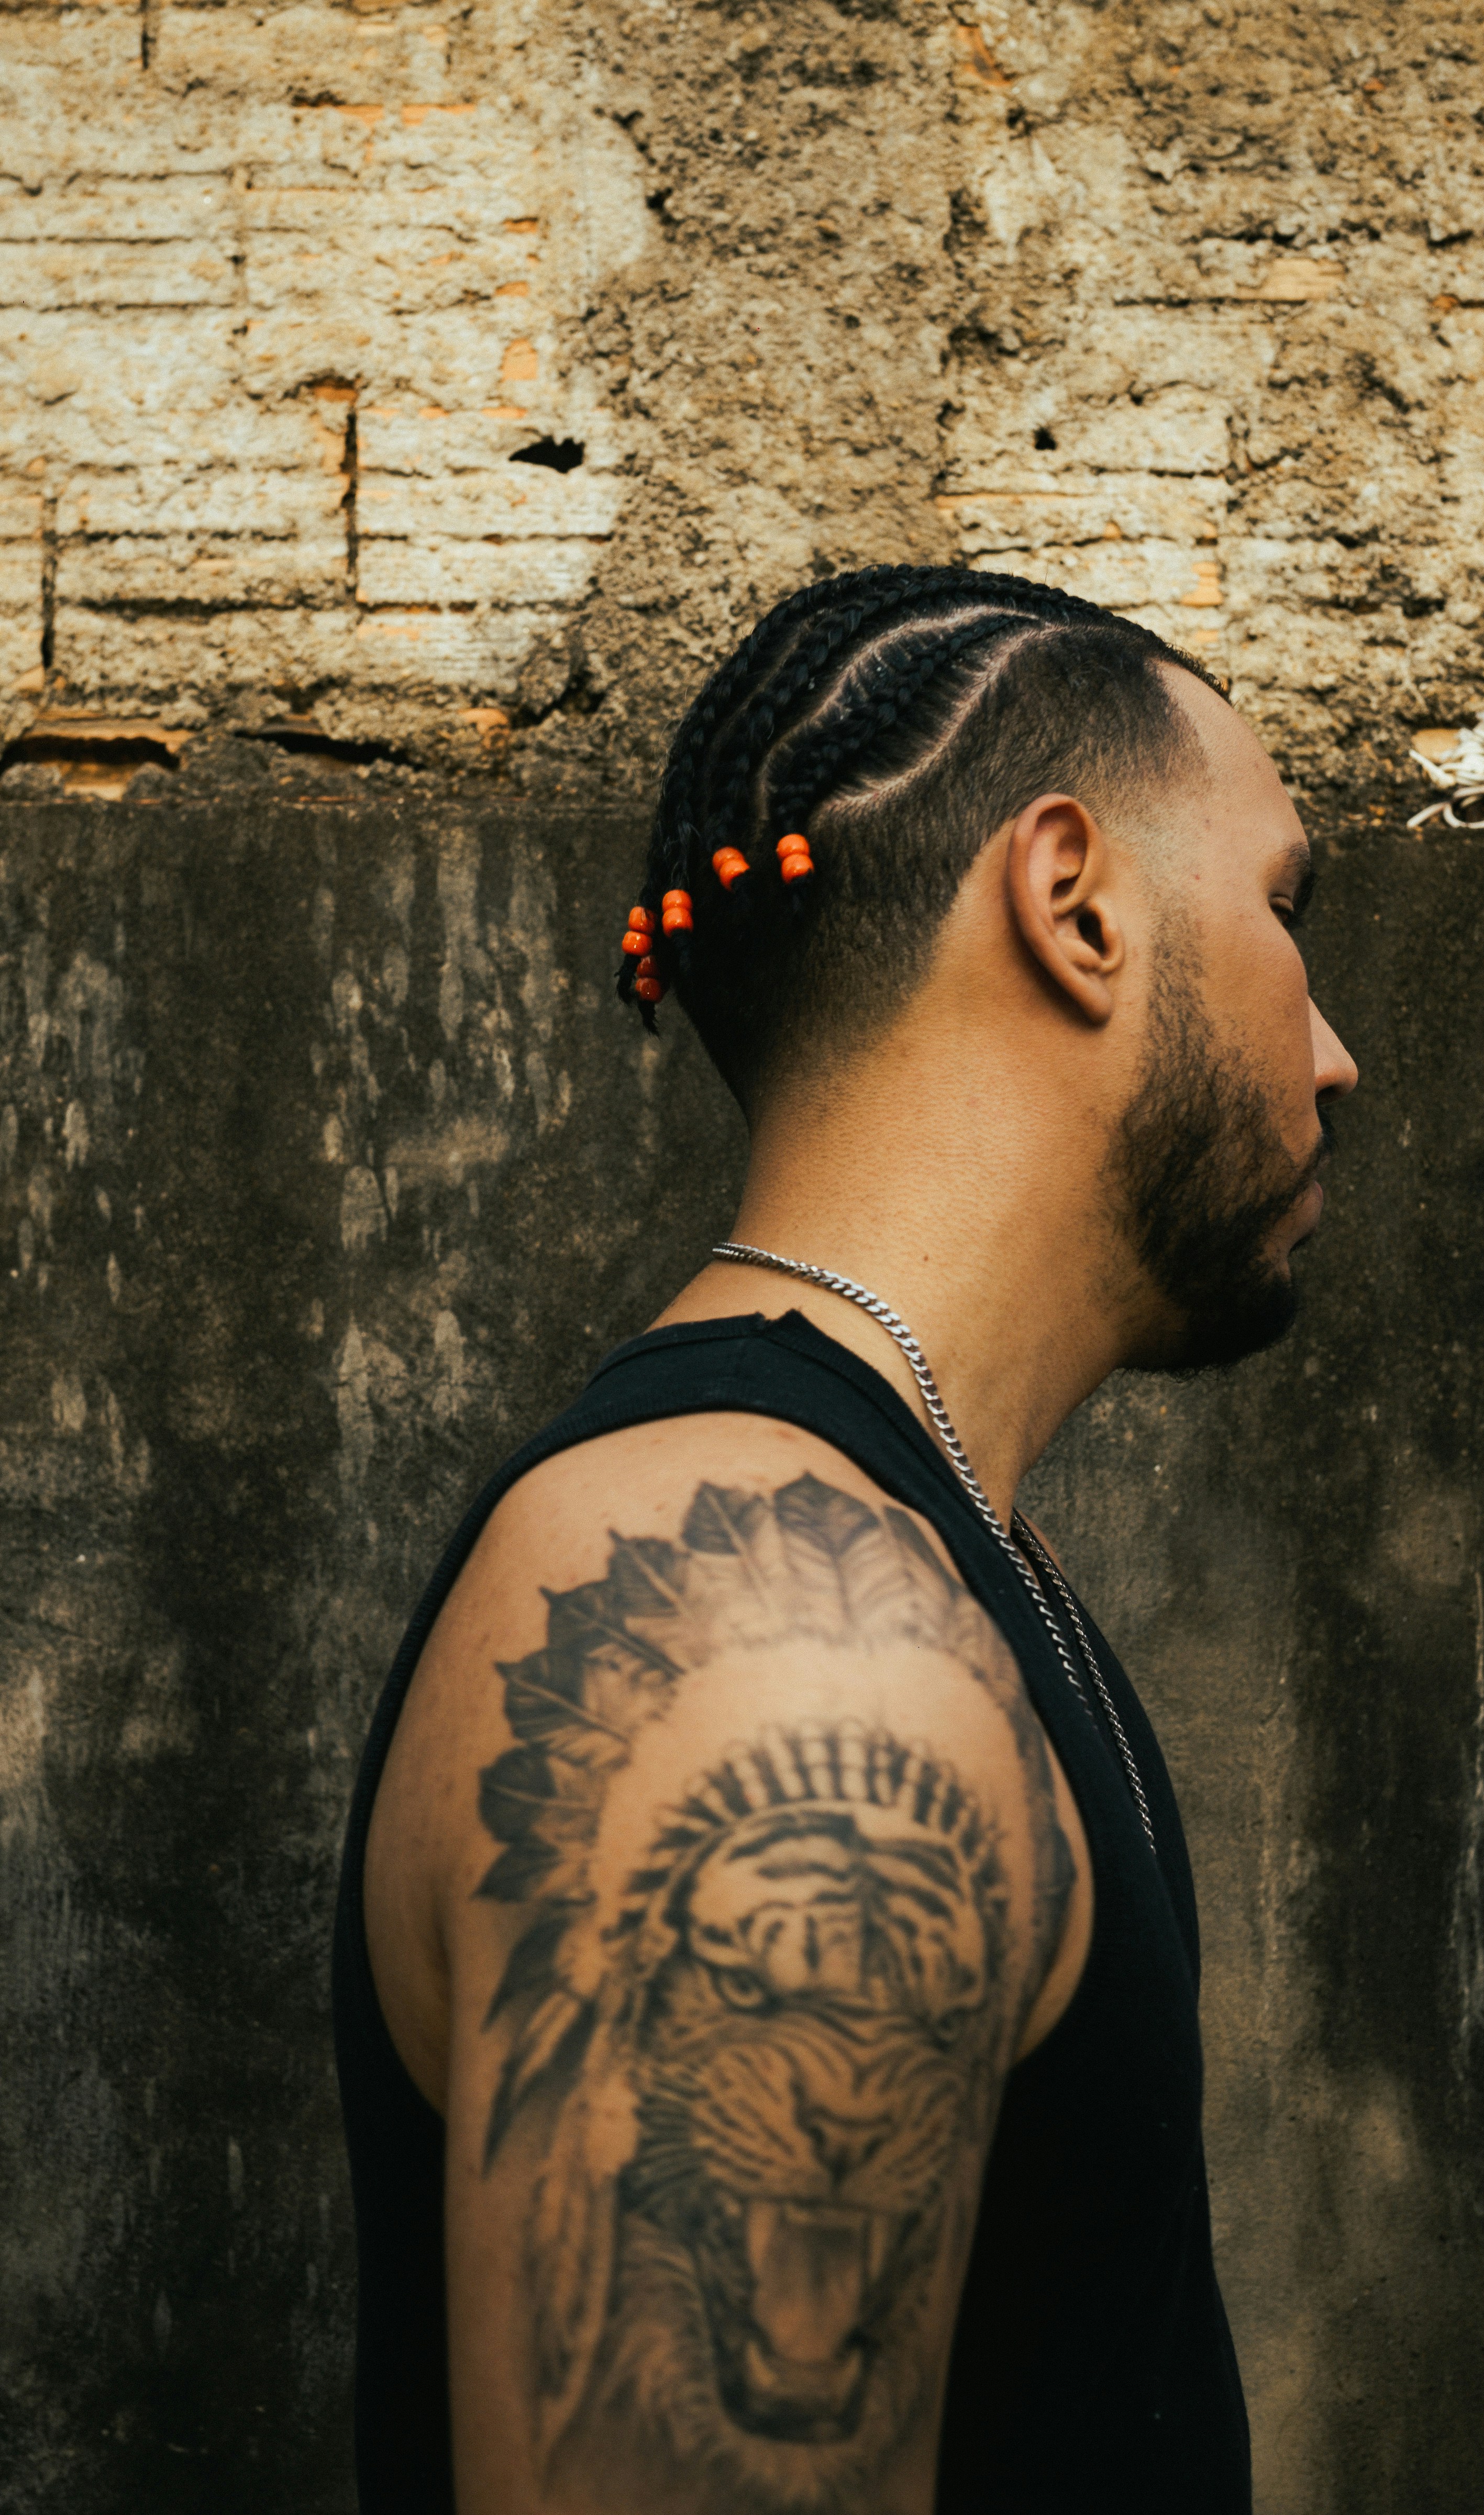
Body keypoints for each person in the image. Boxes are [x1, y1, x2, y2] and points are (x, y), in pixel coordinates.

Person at [333, 563, 1357, 2514]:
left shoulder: (937, 1557)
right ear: (1077, 904)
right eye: (1286, 910)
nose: (1335, 1054)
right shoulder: (776, 1640)